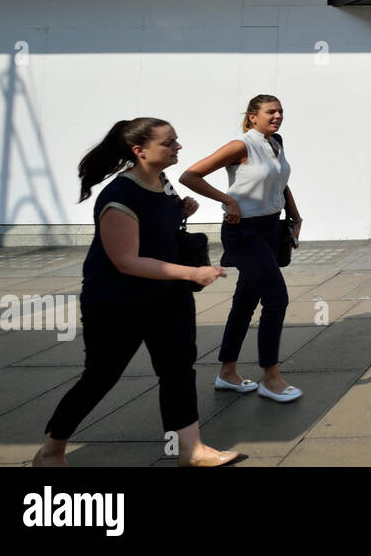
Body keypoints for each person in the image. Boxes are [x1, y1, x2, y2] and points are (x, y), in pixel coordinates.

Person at [34, 118, 238, 467]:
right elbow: (126, 261)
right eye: (169, 142)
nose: (178, 147)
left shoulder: (162, 182)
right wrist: (193, 272)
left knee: (177, 370)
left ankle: (191, 451)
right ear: (139, 151)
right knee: (100, 376)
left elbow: (159, 225)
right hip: (117, 302)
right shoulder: (119, 196)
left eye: (176, 140)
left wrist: (181, 211)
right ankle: (51, 451)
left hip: (167, 297)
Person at [180, 95, 303, 402]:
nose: (277, 116)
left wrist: (295, 216)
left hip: (270, 229)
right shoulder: (240, 146)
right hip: (243, 232)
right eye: (270, 112)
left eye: (280, 111)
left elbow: (281, 182)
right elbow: (190, 176)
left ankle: (227, 373)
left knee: (246, 301)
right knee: (276, 297)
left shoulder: (276, 143)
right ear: (252, 117)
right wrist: (227, 199)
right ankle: (271, 378)